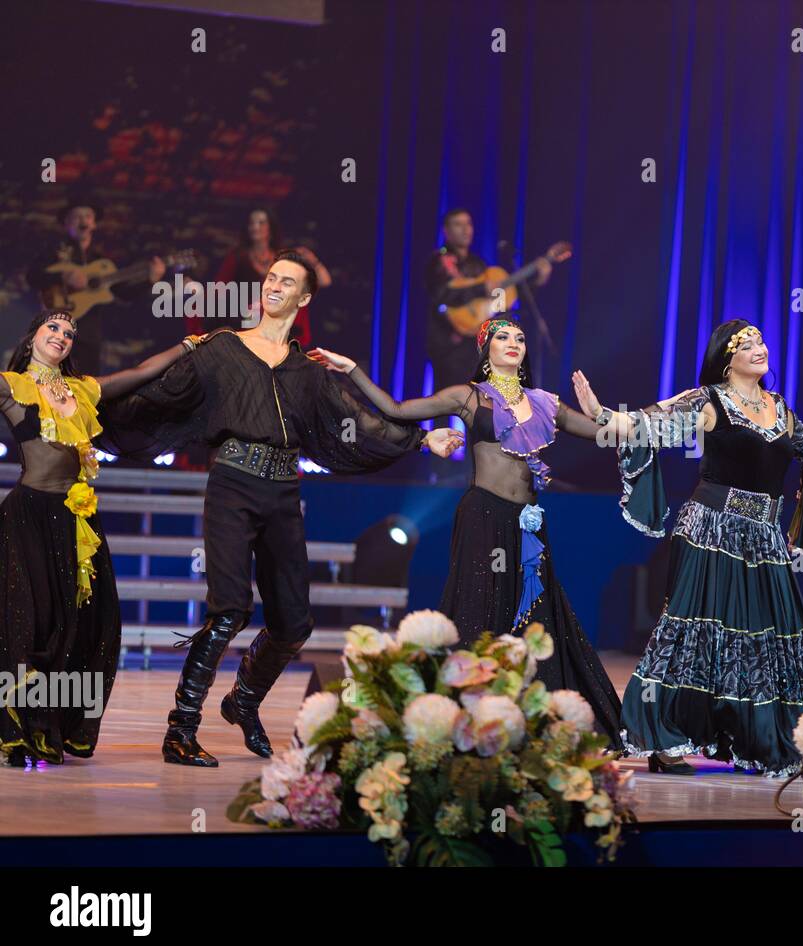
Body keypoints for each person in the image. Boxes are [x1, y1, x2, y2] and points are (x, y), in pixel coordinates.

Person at [99, 250, 460, 767]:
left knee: (294, 624)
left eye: (286, 281)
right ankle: (180, 729)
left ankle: (243, 701)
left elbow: (358, 420)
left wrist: (424, 441)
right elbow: (156, 394)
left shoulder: (307, 371)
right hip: (232, 485)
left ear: (304, 298)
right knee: (229, 612)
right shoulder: (222, 348)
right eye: (270, 277)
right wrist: (88, 410)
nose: (273, 285)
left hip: (283, 493)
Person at [307, 316, 623, 743]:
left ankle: (532, 717)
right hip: (483, 517)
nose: (514, 343)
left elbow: (609, 434)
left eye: (520, 338)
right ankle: (465, 717)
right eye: (503, 337)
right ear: (486, 349)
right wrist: (353, 370)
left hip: (528, 523)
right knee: (481, 610)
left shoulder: (546, 402)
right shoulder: (470, 397)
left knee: (538, 615)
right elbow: (397, 410)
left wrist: (602, 412)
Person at [573, 320, 803, 776]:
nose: (760, 348)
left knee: (762, 644)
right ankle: (663, 739)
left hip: (763, 540)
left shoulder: (779, 408)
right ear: (727, 358)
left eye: (761, 340)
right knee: (695, 637)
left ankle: (759, 738)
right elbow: (650, 424)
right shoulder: (710, 400)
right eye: (747, 343)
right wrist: (604, 415)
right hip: (712, 533)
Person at [0, 309, 197, 765]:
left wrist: (189, 346)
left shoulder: (83, 389)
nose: (62, 335)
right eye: (53, 327)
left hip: (76, 521)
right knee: (30, 624)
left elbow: (140, 372)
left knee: (93, 624)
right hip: (28, 517)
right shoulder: (12, 385)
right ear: (32, 337)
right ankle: (20, 727)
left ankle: (56, 725)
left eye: (70, 333)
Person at [25, 200, 165, 375]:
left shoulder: (101, 262)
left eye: (88, 217)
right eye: (77, 217)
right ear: (66, 223)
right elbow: (32, 276)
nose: (83, 221)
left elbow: (122, 293)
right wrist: (63, 276)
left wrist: (150, 280)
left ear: (94, 224)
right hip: (55, 328)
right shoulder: (52, 251)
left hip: (88, 334)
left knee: (86, 384)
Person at [424, 209, 550, 396]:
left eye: (468, 224)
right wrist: (480, 289)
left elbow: (498, 304)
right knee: (445, 403)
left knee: (481, 407)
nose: (465, 229)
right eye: (458, 224)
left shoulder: (478, 264)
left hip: (475, 345)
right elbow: (442, 294)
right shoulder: (438, 261)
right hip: (448, 346)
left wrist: (535, 282)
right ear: (446, 231)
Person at [189, 208, 331, 344]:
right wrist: (198, 291)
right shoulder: (238, 256)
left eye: (261, 222)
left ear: (271, 228)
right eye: (251, 223)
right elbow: (219, 287)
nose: (255, 227)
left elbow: (325, 281)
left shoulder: (283, 256)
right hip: (247, 320)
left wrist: (313, 260)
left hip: (277, 318)